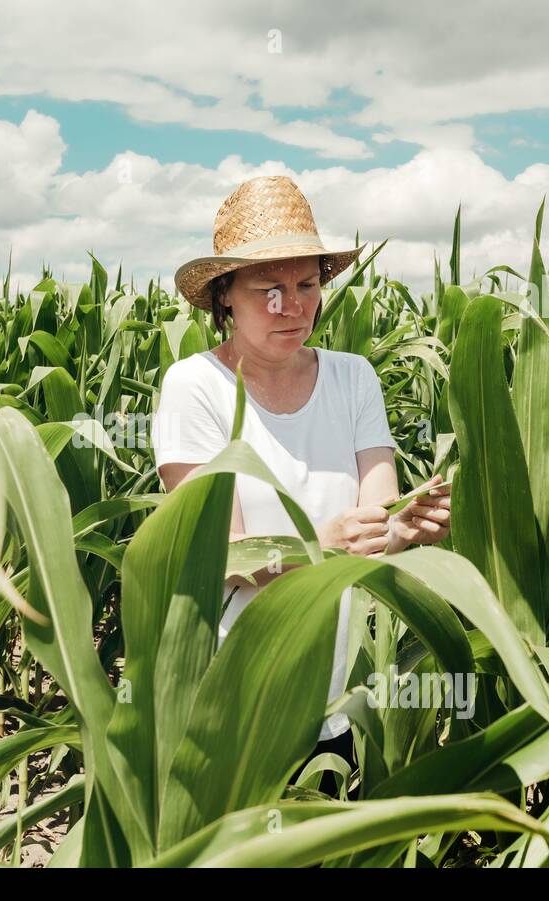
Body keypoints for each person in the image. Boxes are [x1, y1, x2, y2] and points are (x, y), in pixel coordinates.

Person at [150, 175, 452, 798]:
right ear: (225, 296)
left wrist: (408, 525)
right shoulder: (195, 388)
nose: (294, 307)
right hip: (227, 702)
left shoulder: (352, 378)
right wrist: (324, 546)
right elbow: (217, 557)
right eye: (269, 291)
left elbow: (374, 526)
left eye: (307, 285)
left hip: (333, 700)